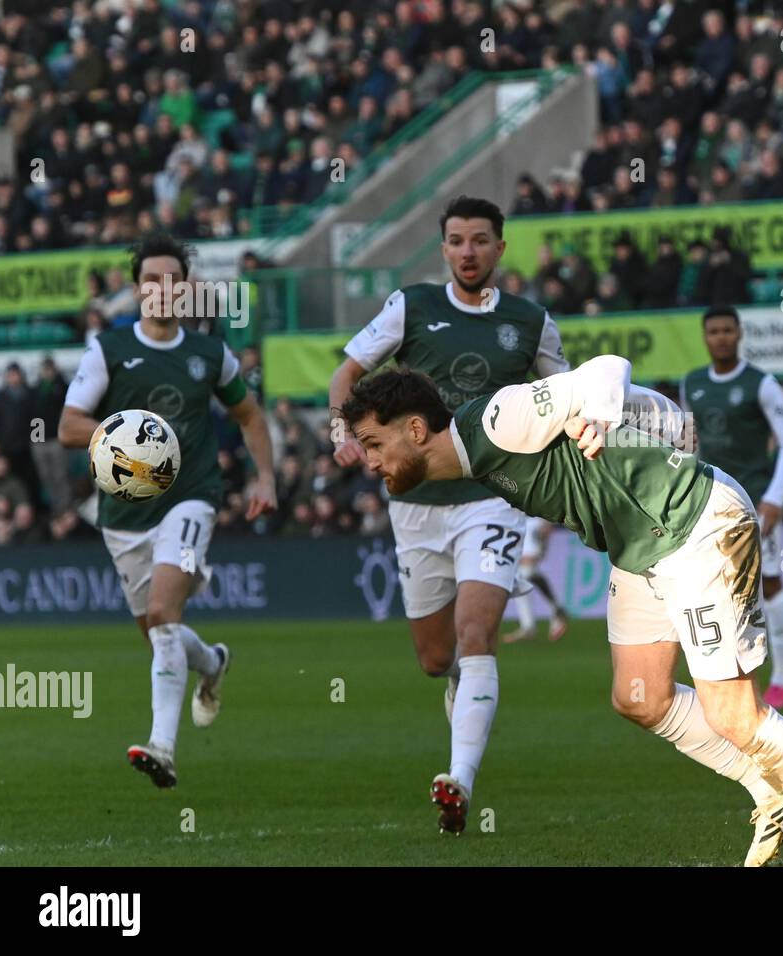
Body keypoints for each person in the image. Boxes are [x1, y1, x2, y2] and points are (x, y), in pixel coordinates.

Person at [340, 355, 783, 867]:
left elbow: (607, 368)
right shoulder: (476, 458)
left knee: (731, 712)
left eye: (371, 443)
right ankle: (768, 787)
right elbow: (652, 414)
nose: (367, 461)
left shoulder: (497, 420)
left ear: (414, 430)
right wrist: (660, 427)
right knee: (639, 697)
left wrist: (603, 416)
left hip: (693, 525)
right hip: (640, 545)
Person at [327, 195, 570, 835]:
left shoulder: (531, 322)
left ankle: (458, 778)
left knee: (476, 631)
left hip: (494, 494)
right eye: (457, 241)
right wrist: (342, 434)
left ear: (500, 248)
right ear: (444, 249)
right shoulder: (412, 307)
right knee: (438, 658)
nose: (469, 251)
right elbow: (349, 370)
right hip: (415, 503)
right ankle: (462, 695)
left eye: (481, 240)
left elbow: (566, 398)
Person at [58, 233, 278, 788]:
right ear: (135, 290)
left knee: (162, 614)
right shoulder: (107, 350)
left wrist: (266, 477)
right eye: (150, 280)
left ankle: (162, 746)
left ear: (187, 289)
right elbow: (68, 427)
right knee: (160, 631)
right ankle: (212, 664)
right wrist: (125, 435)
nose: (161, 289)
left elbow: (250, 416)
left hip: (192, 497)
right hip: (125, 514)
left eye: (172, 280)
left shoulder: (209, 355)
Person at [682, 307, 783, 709]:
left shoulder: (761, 384)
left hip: (753, 501)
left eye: (727, 330)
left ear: (739, 334)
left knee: (768, 583)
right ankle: (728, 675)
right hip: (709, 500)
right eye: (713, 331)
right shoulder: (692, 384)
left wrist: (775, 499)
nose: (720, 337)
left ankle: (782, 678)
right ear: (704, 336)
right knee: (714, 588)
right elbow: (689, 445)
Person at [504, 516, 570, 643]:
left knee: (526, 573)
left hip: (533, 525)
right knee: (521, 579)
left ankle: (554, 613)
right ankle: (531, 624)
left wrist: (544, 536)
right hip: (520, 525)